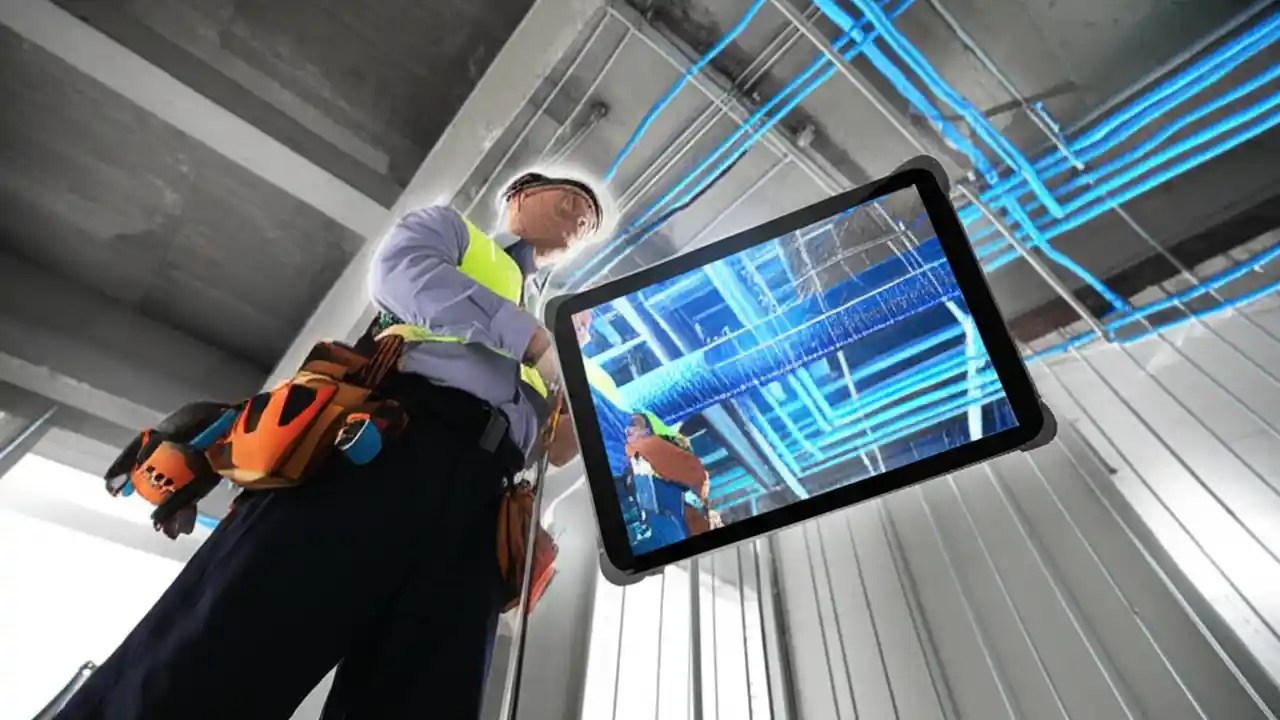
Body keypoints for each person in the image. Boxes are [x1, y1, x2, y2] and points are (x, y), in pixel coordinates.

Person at [55, 171, 603, 719]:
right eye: (573, 197)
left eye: (589, 220)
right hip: (390, 445)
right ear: (520, 197)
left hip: (485, 509)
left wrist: (577, 390)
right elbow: (402, 275)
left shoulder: (559, 319)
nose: (582, 213)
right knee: (221, 654)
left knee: (428, 703)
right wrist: (533, 340)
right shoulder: (455, 232)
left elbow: (554, 451)